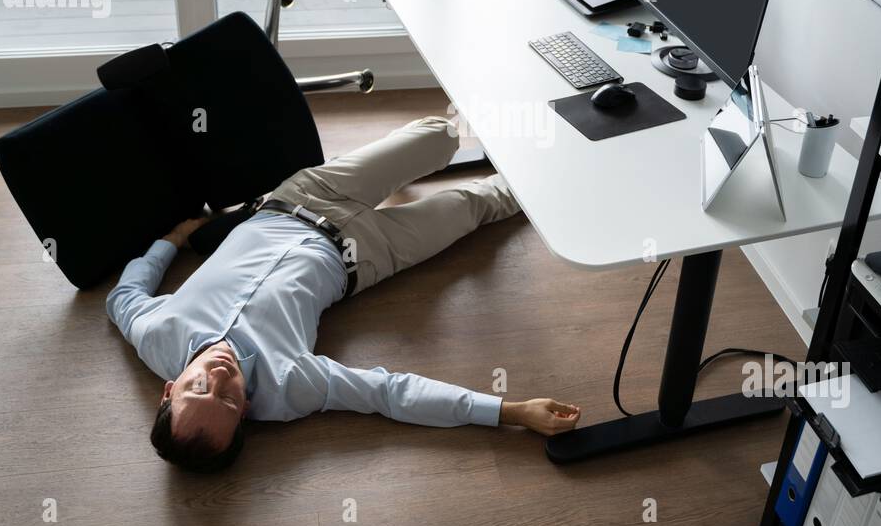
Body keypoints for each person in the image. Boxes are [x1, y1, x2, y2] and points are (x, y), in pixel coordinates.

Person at [107, 115, 581, 472]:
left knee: (439, 135)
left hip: (300, 198)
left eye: (198, 388)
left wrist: (172, 239)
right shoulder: (289, 389)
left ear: (170, 390)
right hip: (367, 253)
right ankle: (572, 152)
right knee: (481, 204)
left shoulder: (156, 334)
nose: (219, 376)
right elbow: (390, 394)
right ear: (246, 411)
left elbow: (124, 294)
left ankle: (496, 119)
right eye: (229, 401)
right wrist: (510, 411)